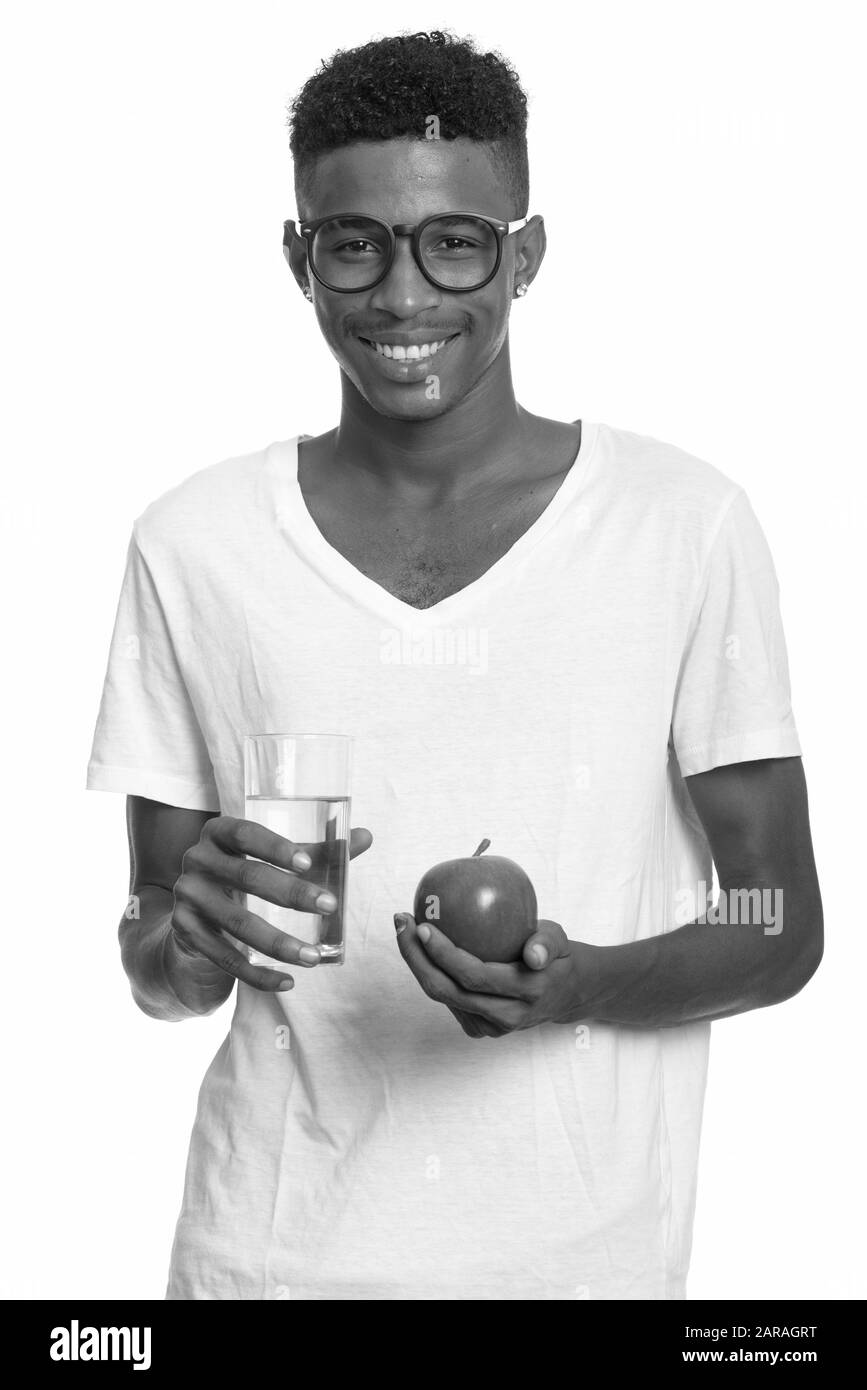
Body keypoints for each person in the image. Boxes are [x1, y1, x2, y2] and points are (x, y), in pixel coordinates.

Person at [86, 30, 823, 1301]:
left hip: (581, 1272)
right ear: (299, 260)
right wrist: (188, 941)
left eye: (457, 241)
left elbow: (779, 920)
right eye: (354, 243)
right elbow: (156, 948)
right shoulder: (192, 545)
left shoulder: (679, 523)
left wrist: (584, 984)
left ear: (524, 256)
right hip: (262, 1266)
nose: (404, 296)